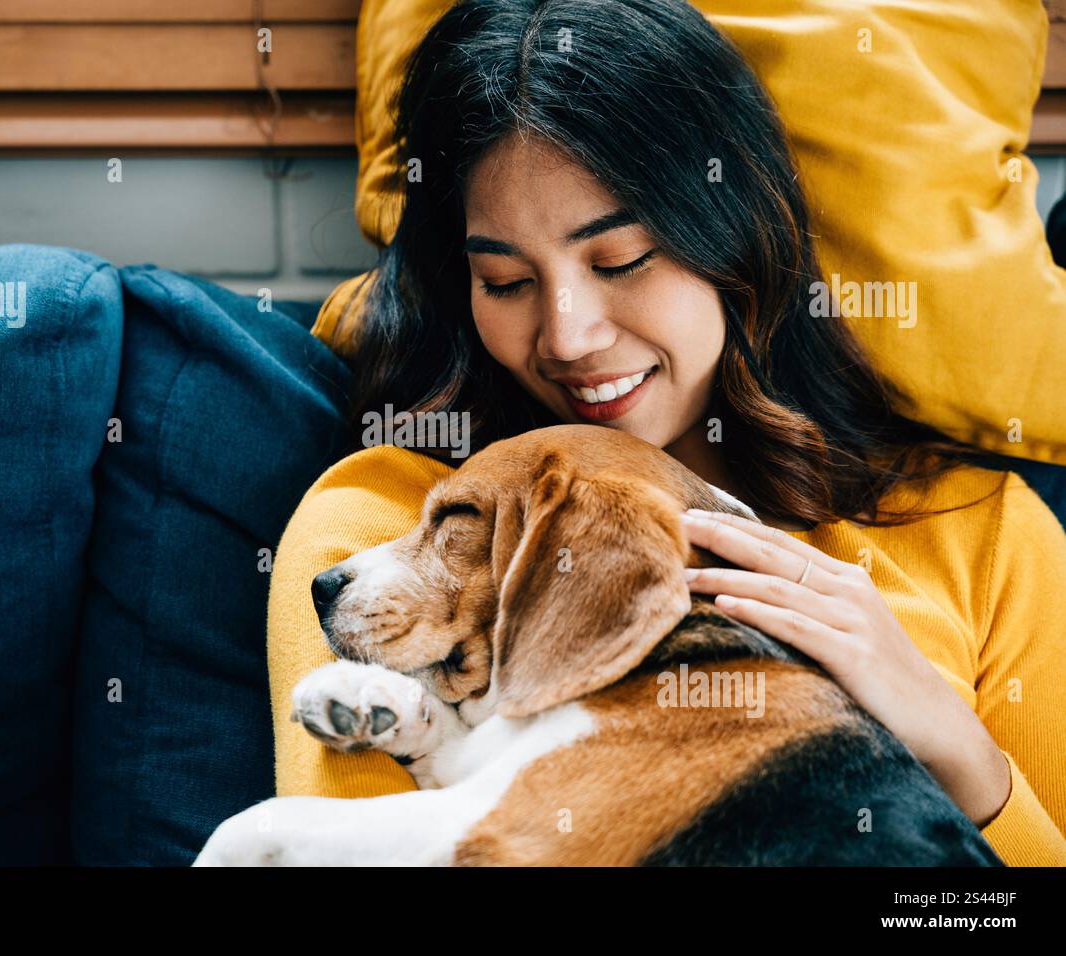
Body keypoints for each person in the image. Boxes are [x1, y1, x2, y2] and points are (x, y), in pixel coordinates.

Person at [266, 0, 1066, 864]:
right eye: (504, 280)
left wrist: (964, 759)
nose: (569, 335)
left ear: (737, 239)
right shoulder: (382, 524)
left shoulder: (983, 534)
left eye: (622, 261)